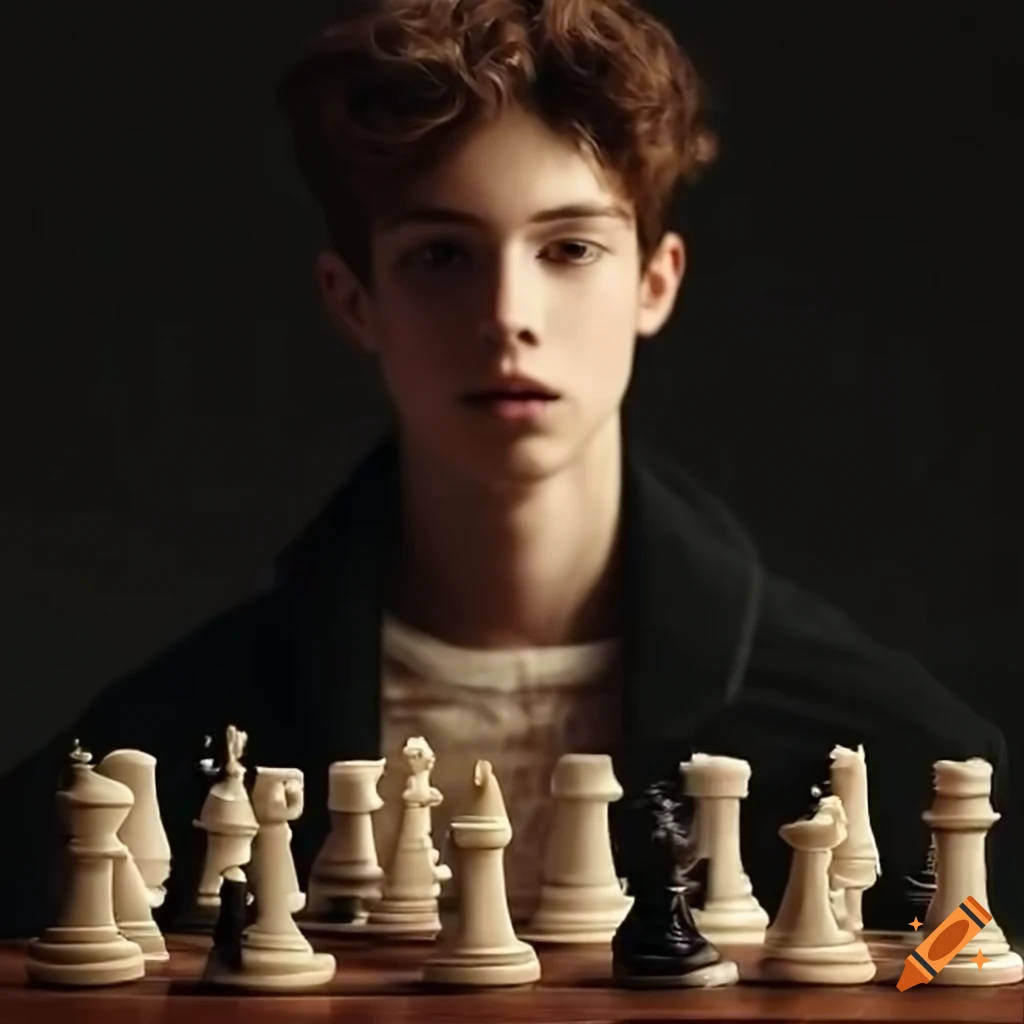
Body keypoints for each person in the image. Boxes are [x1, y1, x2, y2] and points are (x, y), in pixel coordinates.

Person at [0, 0, 1015, 941]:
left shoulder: (897, 754)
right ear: (353, 300)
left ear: (653, 283)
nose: (507, 317)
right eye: (442, 256)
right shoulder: (151, 756)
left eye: (569, 248)